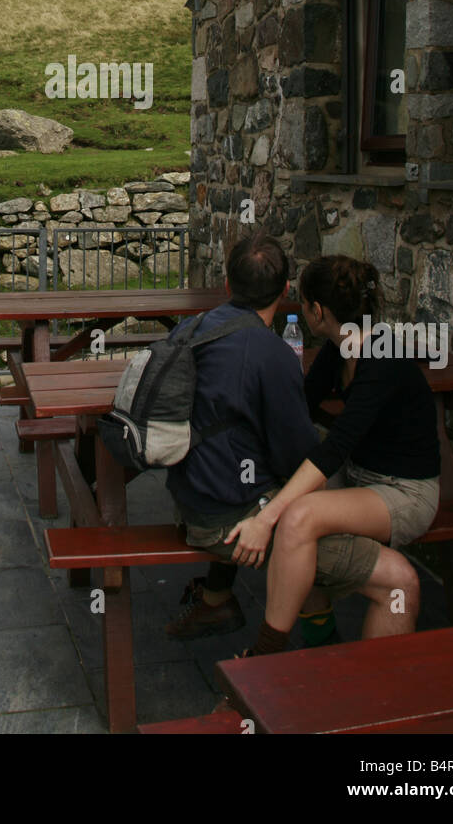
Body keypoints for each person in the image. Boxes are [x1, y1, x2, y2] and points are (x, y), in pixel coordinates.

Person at [166, 234, 420, 648]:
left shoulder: (189, 328)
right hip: (230, 517)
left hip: (190, 496)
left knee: (300, 505)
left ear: (227, 286)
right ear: (284, 291)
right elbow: (303, 456)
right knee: (396, 579)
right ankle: (295, 658)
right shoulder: (275, 354)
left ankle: (229, 604)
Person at [227, 254, 441, 656]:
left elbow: (334, 448)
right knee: (287, 495)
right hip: (361, 474)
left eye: (304, 304)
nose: (302, 310)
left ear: (318, 311)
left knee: (298, 516)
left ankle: (266, 654)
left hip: (404, 491)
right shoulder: (338, 348)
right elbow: (299, 412)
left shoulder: (382, 358)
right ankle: (322, 646)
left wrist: (268, 518)